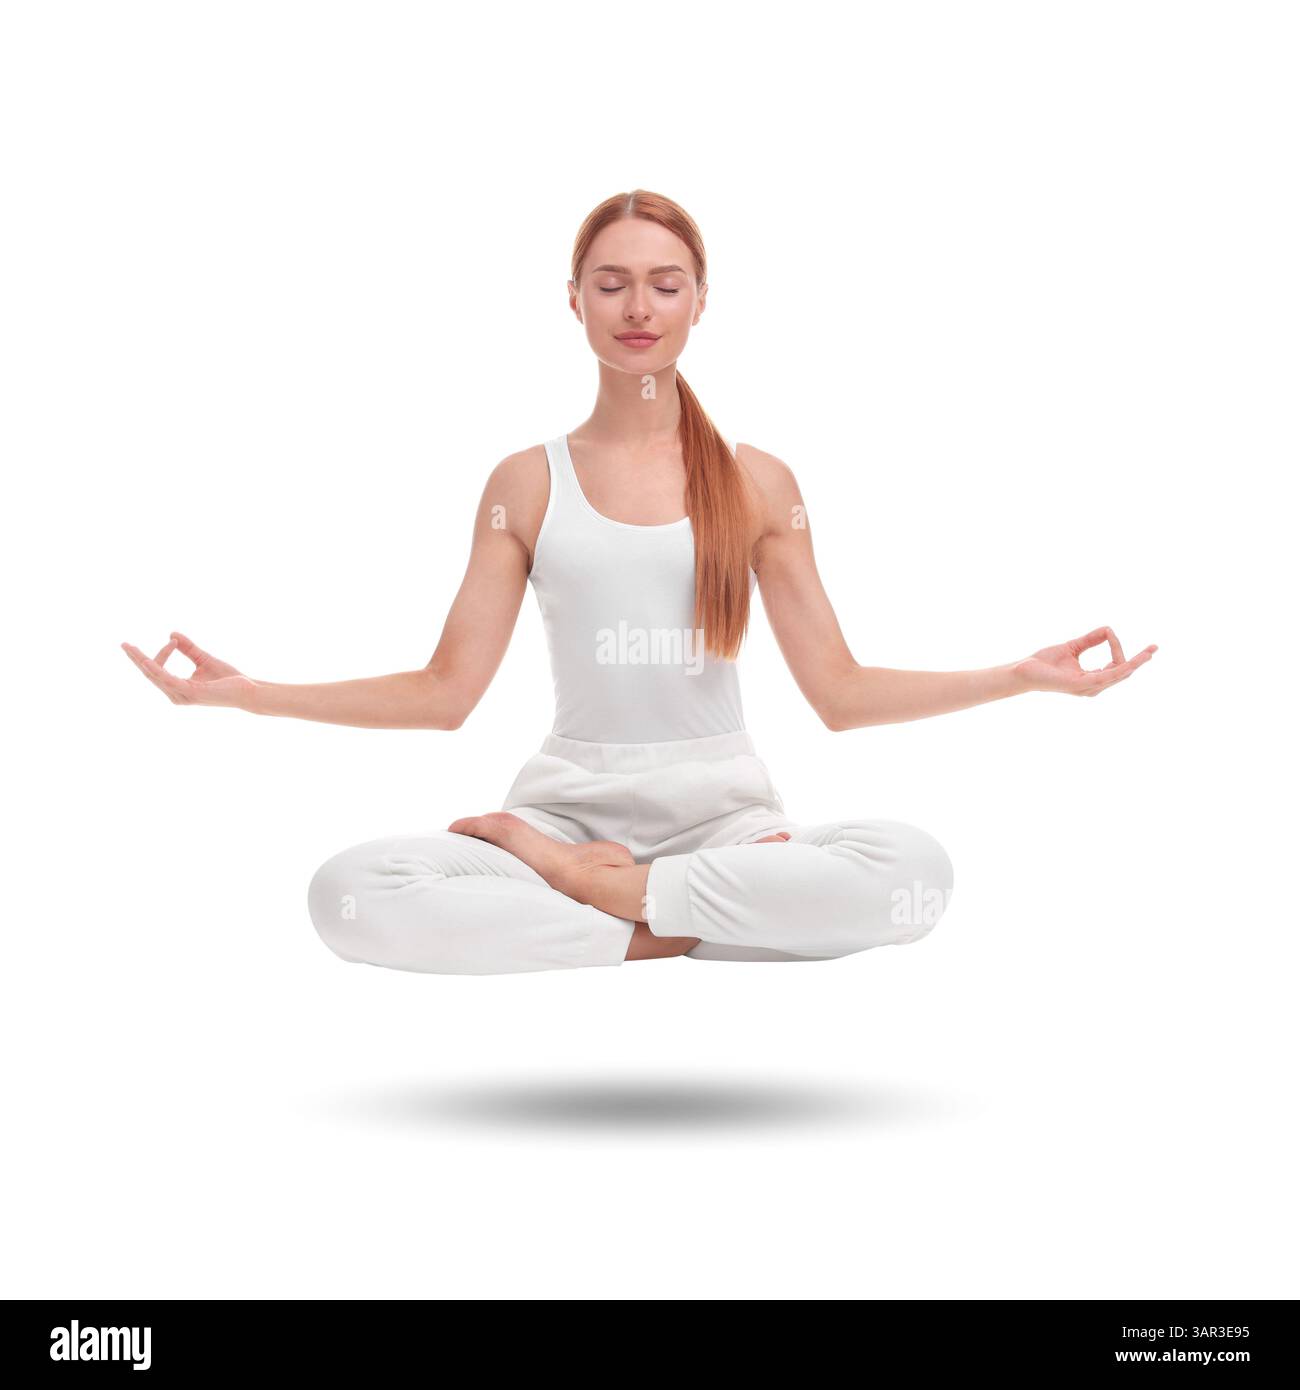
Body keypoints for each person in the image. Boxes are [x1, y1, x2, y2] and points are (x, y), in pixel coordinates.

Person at [122, 188, 1157, 975]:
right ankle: (685, 918)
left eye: (665, 282)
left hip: (727, 823)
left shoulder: (756, 481)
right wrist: (247, 692)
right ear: (572, 299)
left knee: (913, 875)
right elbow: (443, 696)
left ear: (700, 300)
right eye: (610, 281)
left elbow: (839, 694)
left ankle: (613, 903)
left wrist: (1018, 675)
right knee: (347, 893)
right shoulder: (523, 483)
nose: (637, 306)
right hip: (563, 816)